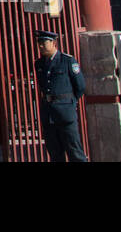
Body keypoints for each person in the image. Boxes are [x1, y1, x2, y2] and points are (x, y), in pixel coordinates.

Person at [34, 29, 87, 162]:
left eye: (43, 42)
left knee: (74, 151)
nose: (40, 46)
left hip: (65, 113)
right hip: (49, 114)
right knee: (55, 152)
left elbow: (80, 87)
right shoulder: (39, 64)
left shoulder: (67, 61)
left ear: (53, 43)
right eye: (39, 42)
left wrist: (69, 103)